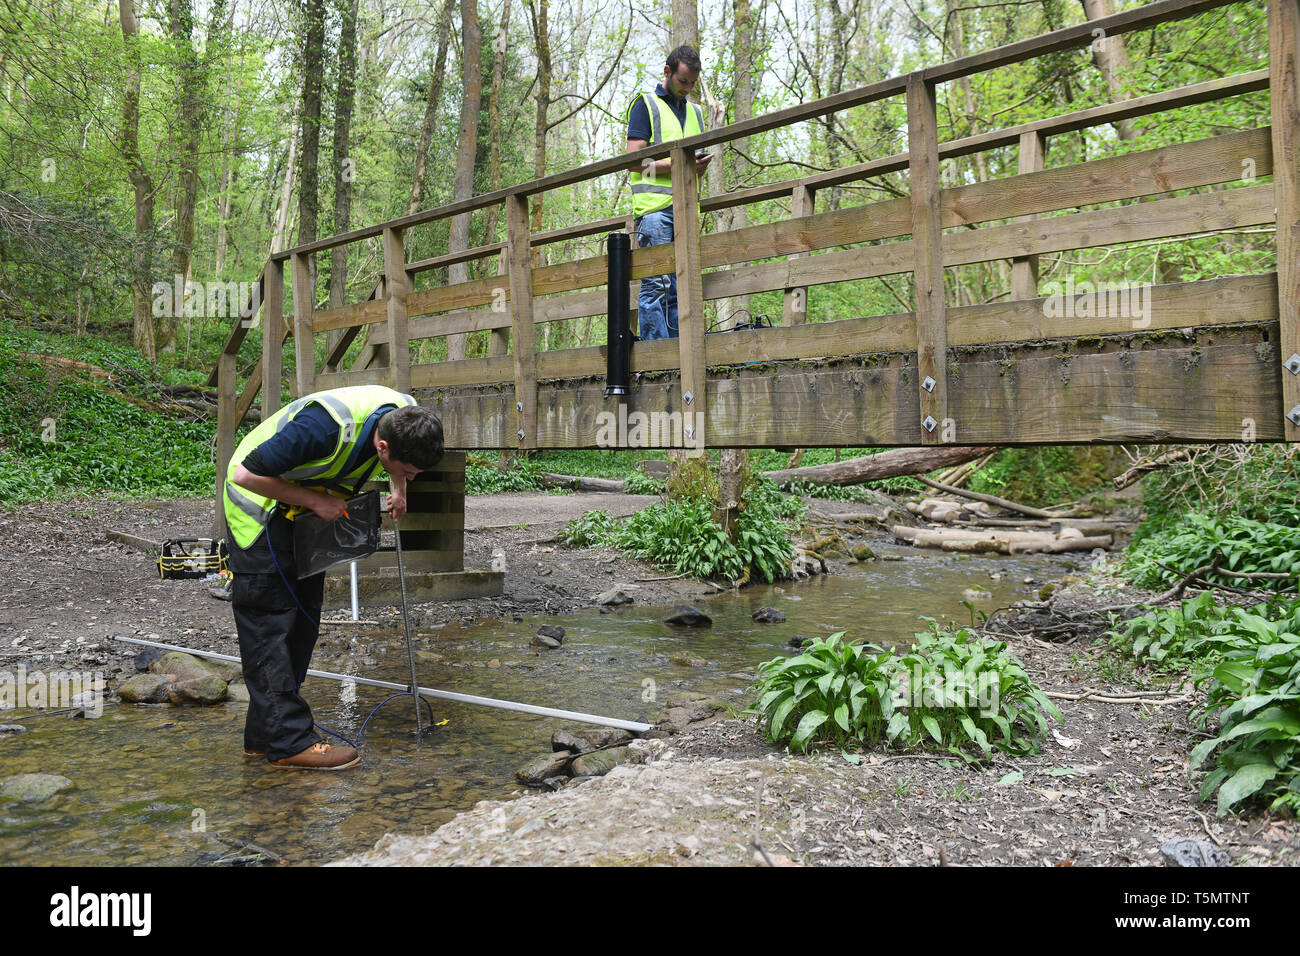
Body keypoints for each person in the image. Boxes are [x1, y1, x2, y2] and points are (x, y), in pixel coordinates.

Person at [222, 385, 443, 770]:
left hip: (301, 514)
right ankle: (290, 743)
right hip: (258, 509)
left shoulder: (407, 416)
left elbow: (403, 463)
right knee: (270, 623)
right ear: (384, 449)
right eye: (407, 471)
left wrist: (400, 488)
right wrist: (316, 501)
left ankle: (265, 738)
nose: (410, 477)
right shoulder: (321, 428)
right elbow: (243, 475)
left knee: (303, 622)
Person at [624, 44, 713, 340]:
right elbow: (634, 162)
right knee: (657, 284)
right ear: (667, 72)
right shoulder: (645, 105)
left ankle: (679, 353)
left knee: (681, 285)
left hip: (687, 208)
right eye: (682, 81)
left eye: (692, 83)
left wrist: (697, 167)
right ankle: (657, 359)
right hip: (654, 210)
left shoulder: (696, 113)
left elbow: (693, 162)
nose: (687, 88)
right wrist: (676, 164)